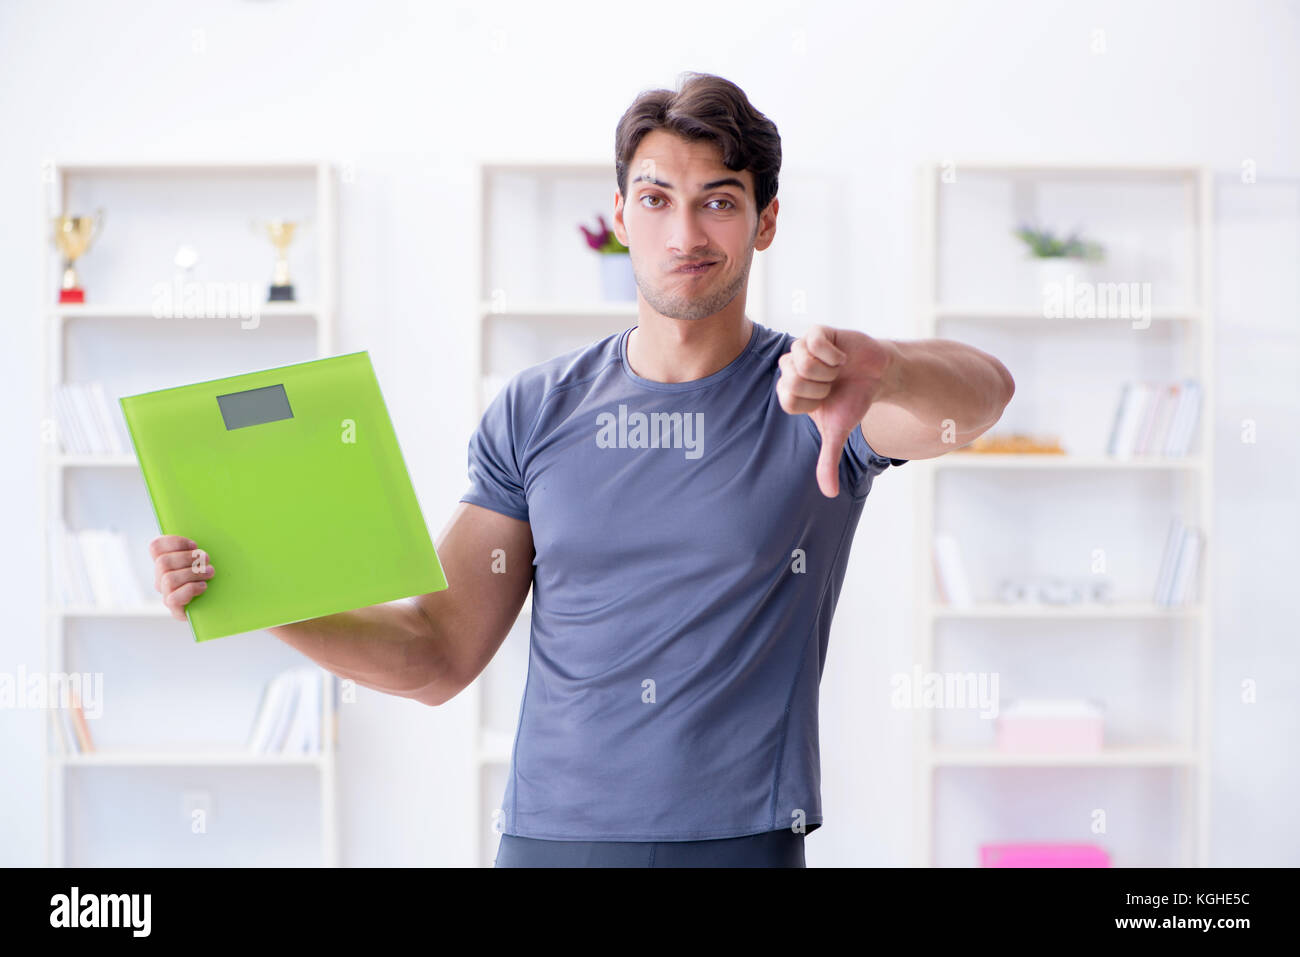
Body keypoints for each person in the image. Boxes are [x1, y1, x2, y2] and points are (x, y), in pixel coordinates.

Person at [151, 71, 1014, 868]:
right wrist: (252, 594)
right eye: (657, 198)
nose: (685, 233)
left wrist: (889, 367)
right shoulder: (535, 410)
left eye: (719, 201)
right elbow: (437, 652)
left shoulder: (816, 393)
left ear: (766, 220)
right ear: (619, 213)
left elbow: (983, 397)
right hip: (548, 839)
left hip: (739, 839)